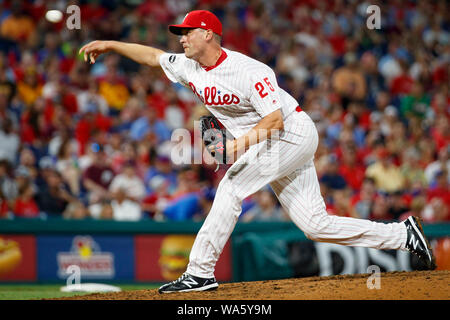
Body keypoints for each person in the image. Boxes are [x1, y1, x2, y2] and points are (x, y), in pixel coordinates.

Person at [79, 10, 437, 293]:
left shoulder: (249, 70)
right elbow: (153, 57)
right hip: (270, 143)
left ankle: (199, 273)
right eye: (180, 34)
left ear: (208, 34)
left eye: (186, 32)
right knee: (315, 225)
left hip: (291, 134)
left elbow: (275, 121)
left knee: (231, 187)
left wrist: (234, 146)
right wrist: (110, 44)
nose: (181, 39)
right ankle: (404, 235)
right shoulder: (189, 67)